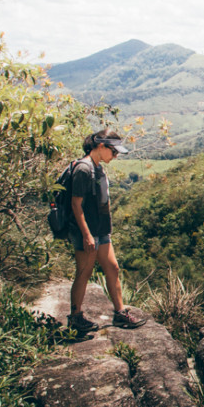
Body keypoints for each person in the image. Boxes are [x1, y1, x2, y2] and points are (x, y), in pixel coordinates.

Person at [67, 129, 147, 332]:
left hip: (101, 231)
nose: (116, 156)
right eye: (113, 151)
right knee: (84, 273)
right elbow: (76, 205)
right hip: (87, 232)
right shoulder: (84, 169)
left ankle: (120, 313)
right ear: (101, 146)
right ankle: (75, 317)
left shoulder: (97, 168)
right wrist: (86, 235)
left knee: (112, 268)